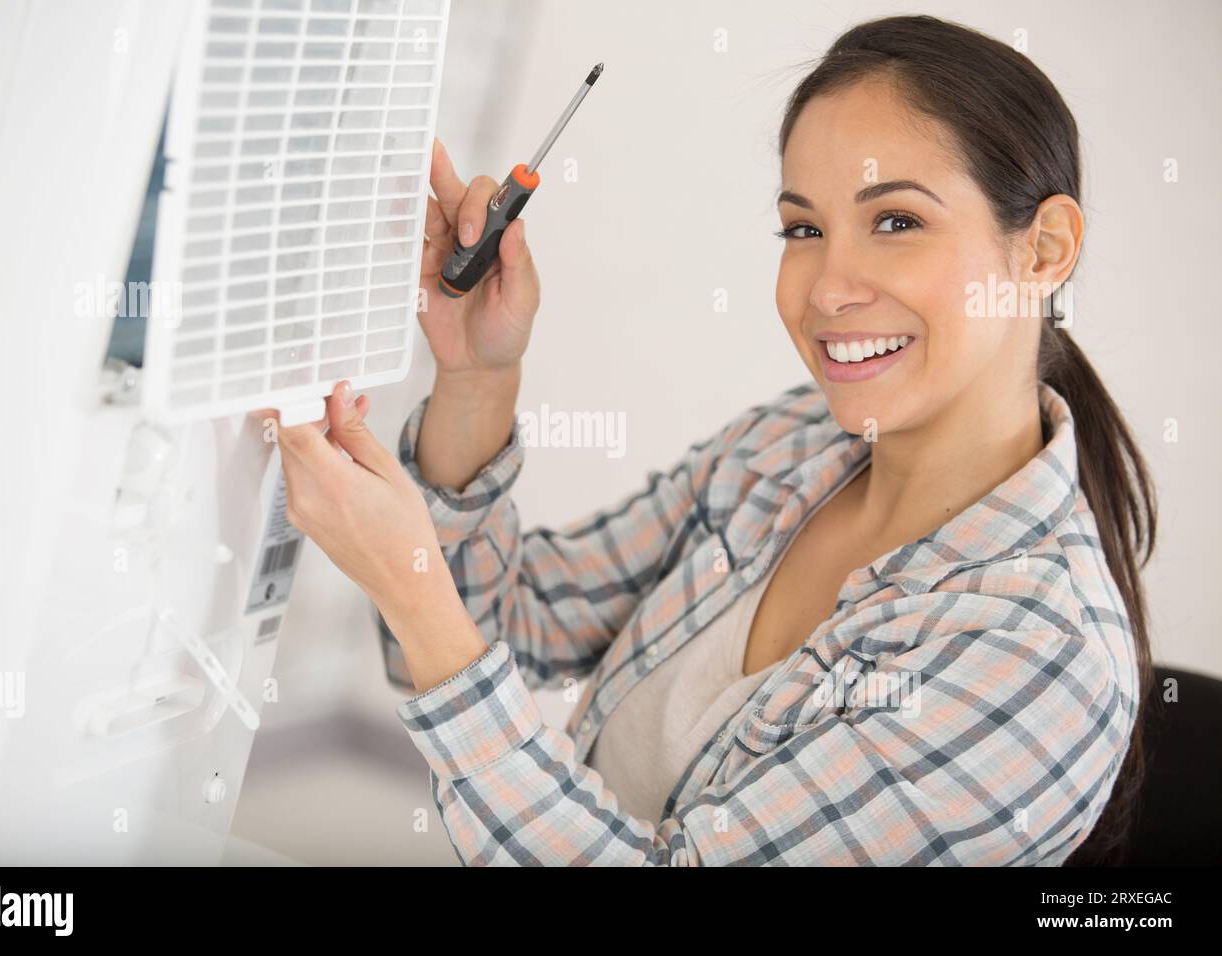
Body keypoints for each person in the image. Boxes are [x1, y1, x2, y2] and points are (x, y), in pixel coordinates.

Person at [265, 14, 1157, 865]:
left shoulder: (1039, 654)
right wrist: (477, 377)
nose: (827, 288)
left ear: (1043, 249)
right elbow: (509, 623)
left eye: (895, 221)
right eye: (804, 229)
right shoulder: (791, 445)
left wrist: (411, 592)